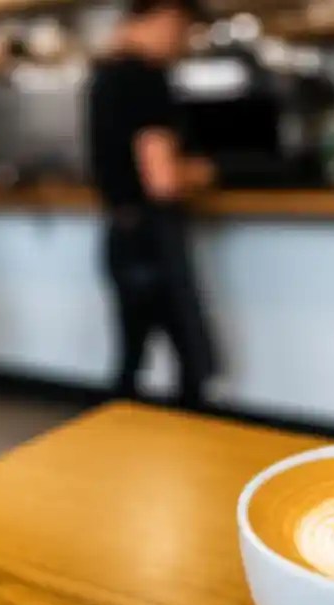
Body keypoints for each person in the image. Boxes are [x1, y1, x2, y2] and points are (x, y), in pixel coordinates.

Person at [86, 0, 219, 410]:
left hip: (119, 233)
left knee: (132, 355)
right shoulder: (145, 79)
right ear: (165, 16)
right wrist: (203, 172)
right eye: (184, 29)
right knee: (190, 361)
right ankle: (194, 451)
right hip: (151, 236)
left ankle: (115, 451)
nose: (185, 41)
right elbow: (162, 179)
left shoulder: (103, 76)